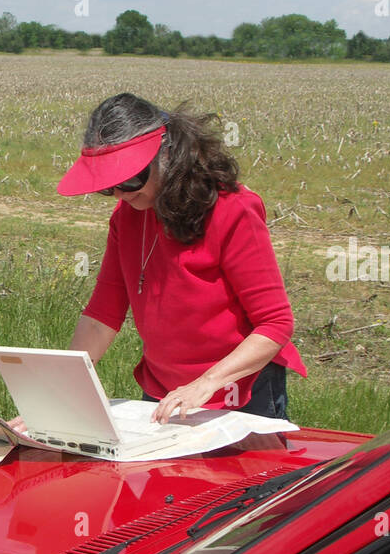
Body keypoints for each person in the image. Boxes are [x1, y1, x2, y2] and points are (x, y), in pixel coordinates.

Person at [55, 93, 306, 424]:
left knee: (245, 479)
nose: (120, 194)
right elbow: (102, 317)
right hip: (165, 393)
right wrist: (55, 395)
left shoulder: (233, 210)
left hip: (238, 392)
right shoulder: (126, 218)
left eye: (130, 179)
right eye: (108, 186)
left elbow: (275, 324)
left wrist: (205, 385)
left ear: (166, 155)